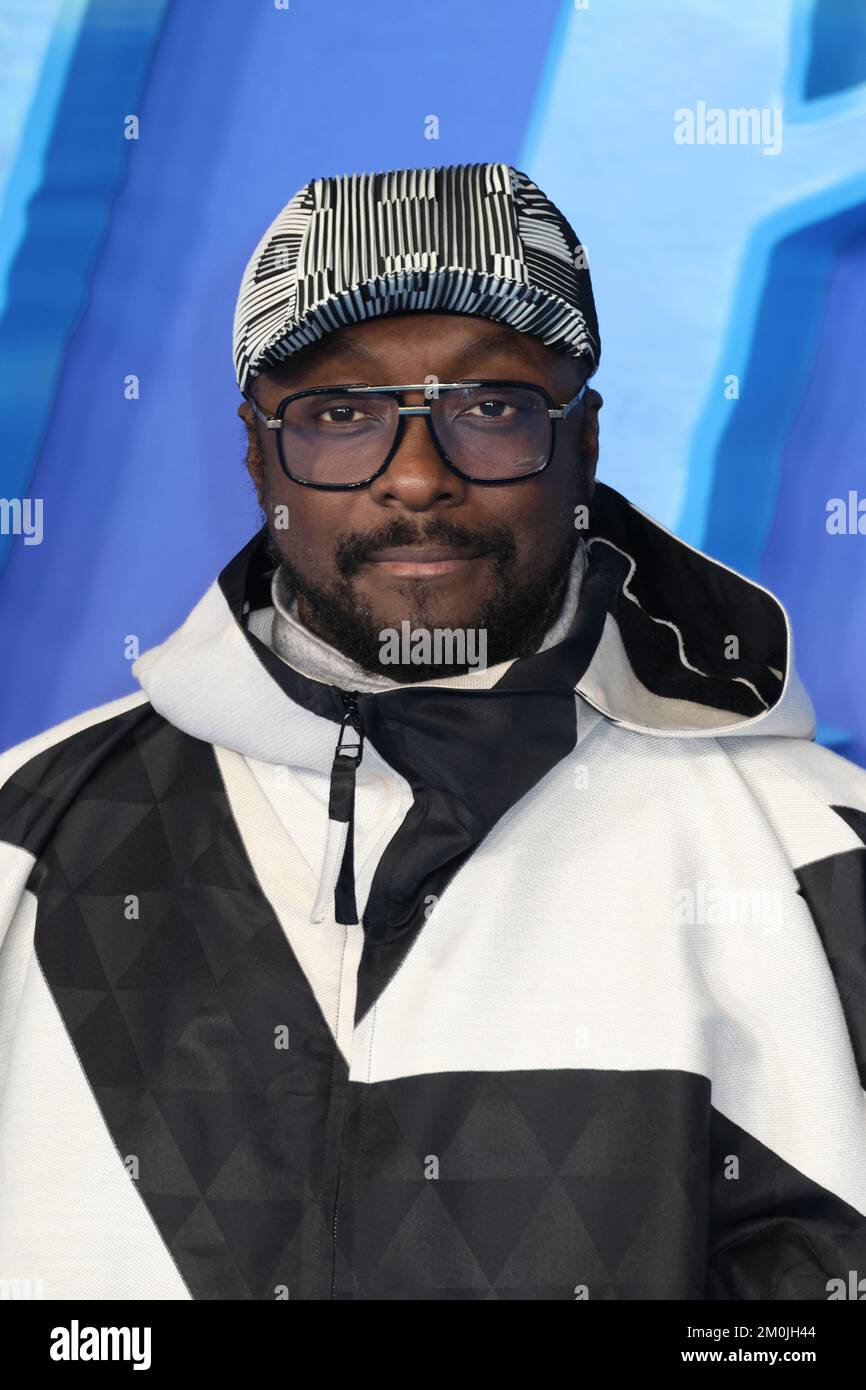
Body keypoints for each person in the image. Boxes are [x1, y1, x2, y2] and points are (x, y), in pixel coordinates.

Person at [1, 161, 864, 1302]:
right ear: (257, 452)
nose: (415, 478)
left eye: (488, 408)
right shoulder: (27, 834)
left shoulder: (816, 855)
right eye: (341, 413)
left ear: (584, 442)